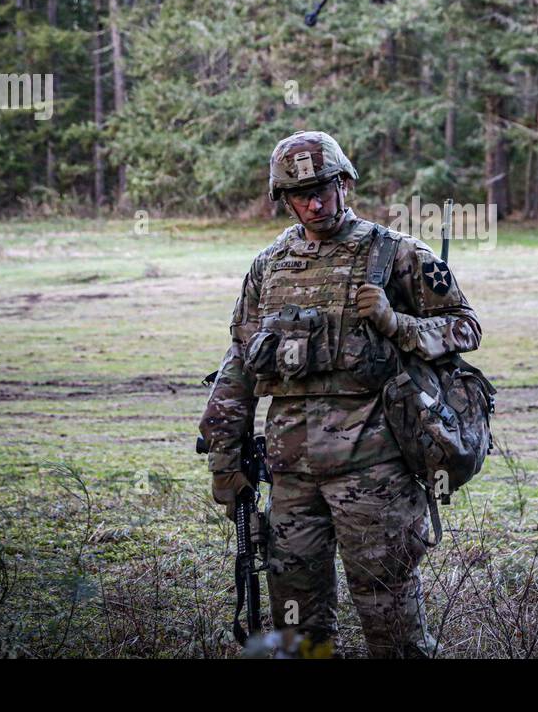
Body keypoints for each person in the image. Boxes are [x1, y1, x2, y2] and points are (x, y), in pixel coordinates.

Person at [199, 130, 482, 657]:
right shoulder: (268, 266)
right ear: (282, 199)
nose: (313, 202)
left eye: (323, 188)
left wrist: (397, 323)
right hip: (290, 478)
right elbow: (238, 363)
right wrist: (222, 455)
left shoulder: (396, 254)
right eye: (298, 194)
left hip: (374, 471)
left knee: (390, 618)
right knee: (298, 625)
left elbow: (465, 328)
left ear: (345, 182)